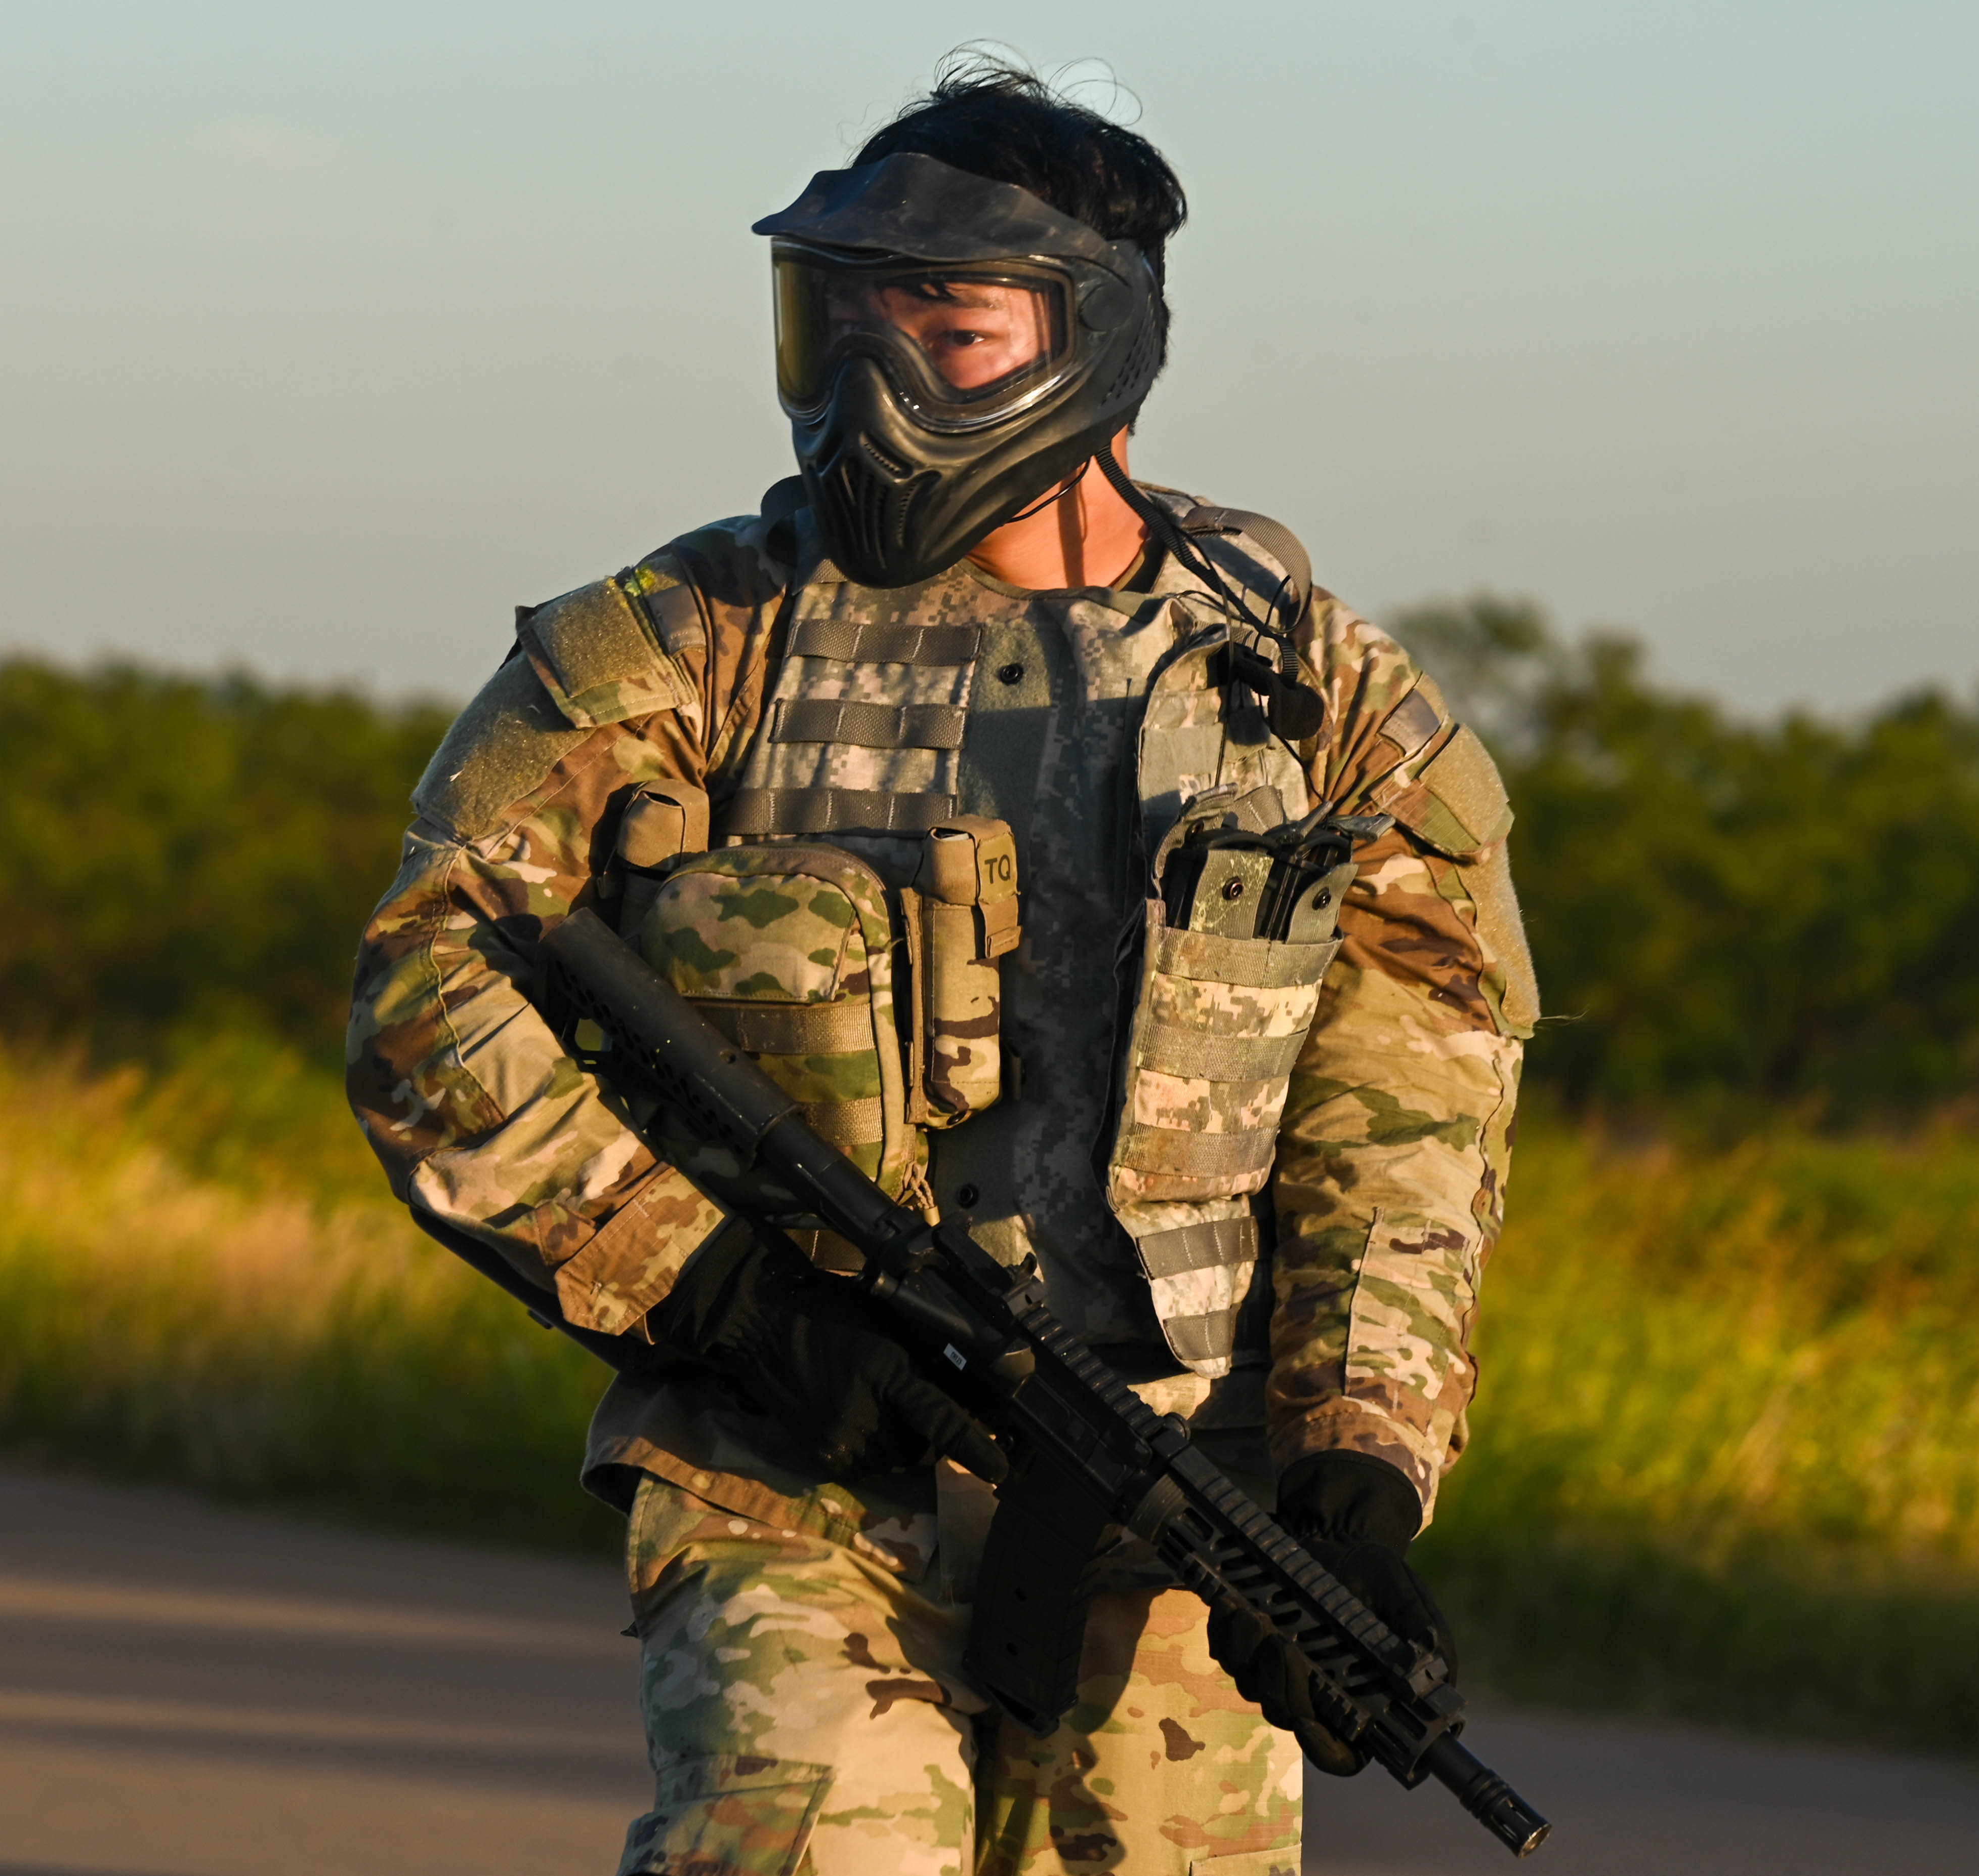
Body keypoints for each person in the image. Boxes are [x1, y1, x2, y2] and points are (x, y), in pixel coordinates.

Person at [348, 54, 1537, 1876]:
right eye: (838, 323)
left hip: (1176, 1490)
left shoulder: (1315, 697)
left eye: (946, 328)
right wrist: (721, 1296)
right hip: (792, 1479)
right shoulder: (686, 641)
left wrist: (1355, 1470)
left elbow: (1413, 1112)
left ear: (1097, 344)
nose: (872, 386)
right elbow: (433, 982)